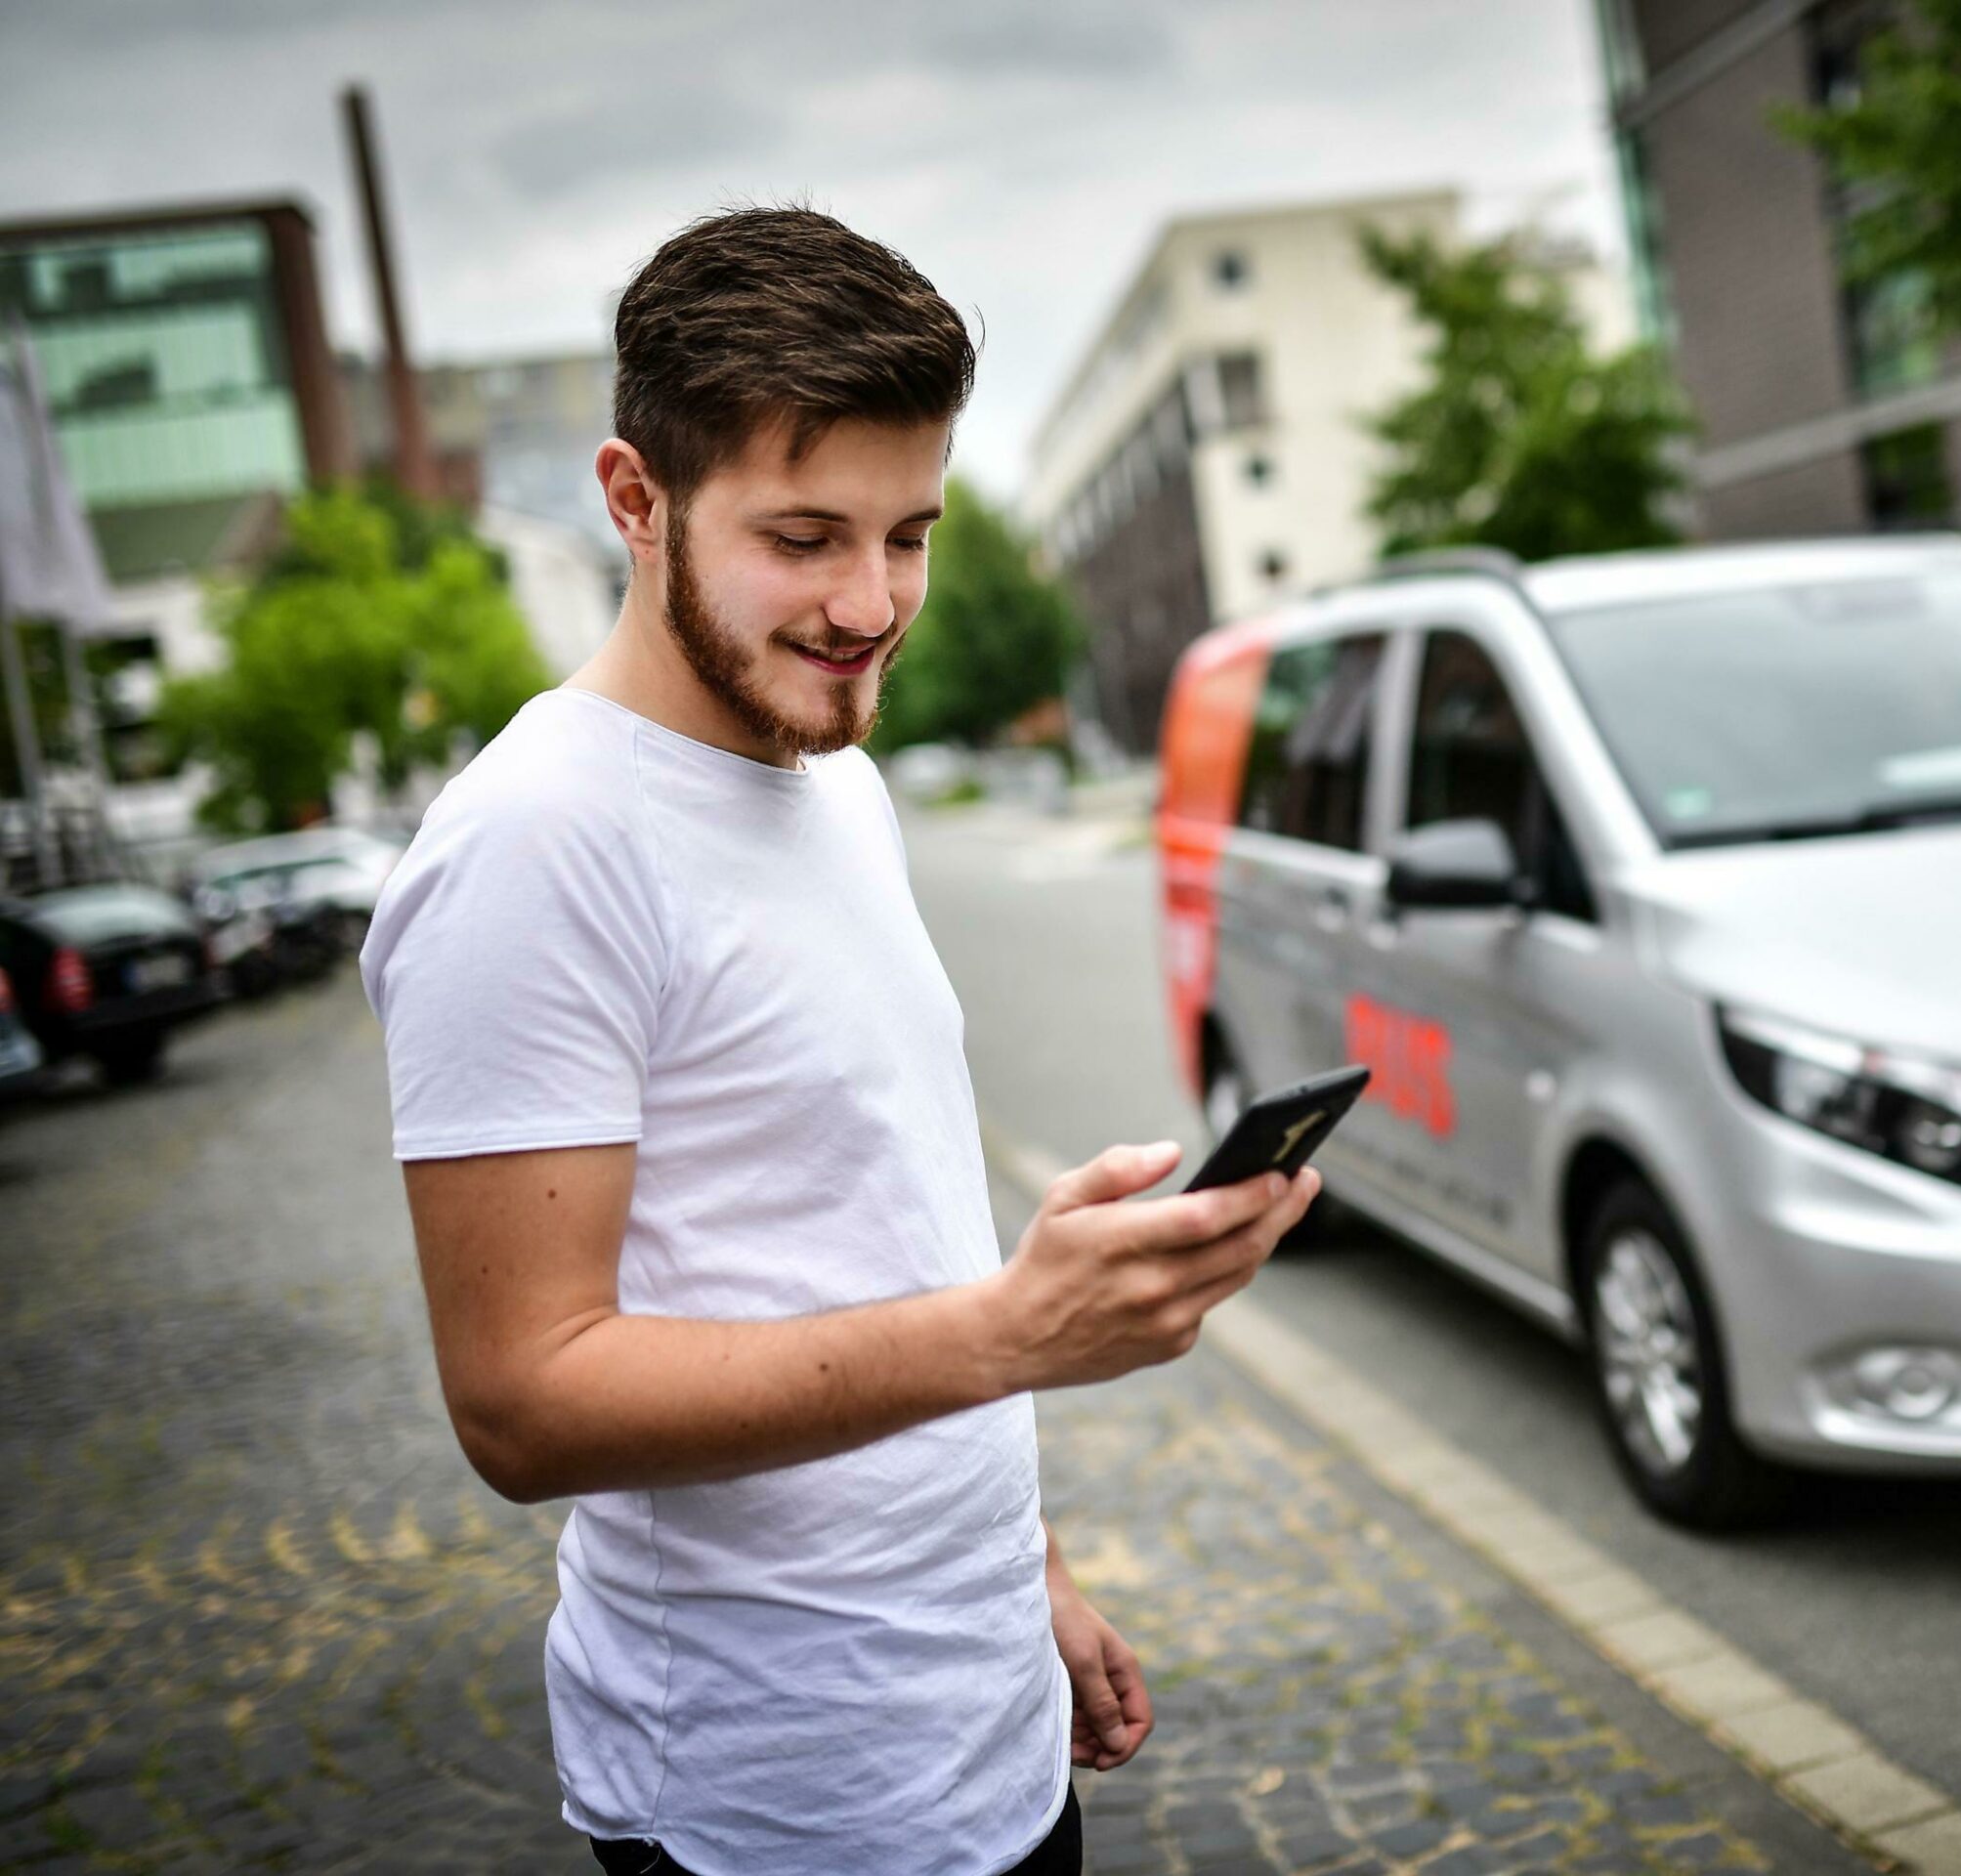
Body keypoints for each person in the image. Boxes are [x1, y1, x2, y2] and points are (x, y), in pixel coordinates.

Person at [358, 206, 1318, 1876]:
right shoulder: (535, 840)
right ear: (633, 500)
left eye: (911, 534)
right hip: (773, 1808)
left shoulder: (839, 783)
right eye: (804, 537)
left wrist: (1030, 1569)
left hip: (983, 1733)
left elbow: (876, 1235)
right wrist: (1014, 1328)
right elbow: (522, 1402)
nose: (872, 603)